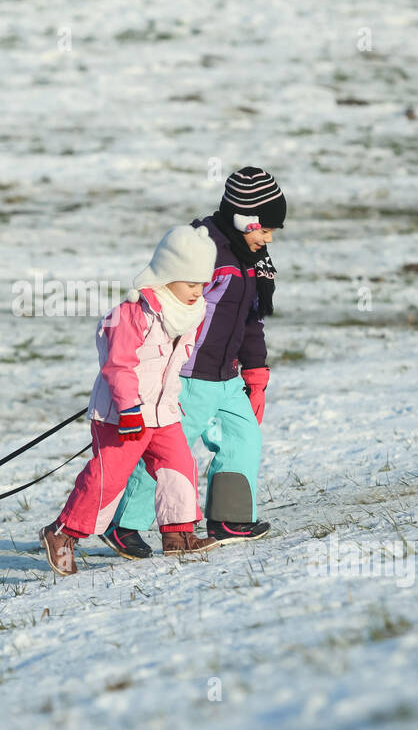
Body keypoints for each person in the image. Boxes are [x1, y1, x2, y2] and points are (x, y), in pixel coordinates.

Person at [102, 166, 285, 559]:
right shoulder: (203, 253)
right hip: (186, 375)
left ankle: (229, 516)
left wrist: (256, 371)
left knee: (244, 437)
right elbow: (163, 305)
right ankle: (125, 524)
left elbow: (251, 318)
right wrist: (151, 365)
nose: (268, 239)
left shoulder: (251, 260)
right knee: (165, 452)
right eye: (264, 229)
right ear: (243, 219)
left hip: (227, 376)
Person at [39, 225, 222, 575]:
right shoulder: (131, 313)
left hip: (163, 412)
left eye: (202, 283)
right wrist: (129, 409)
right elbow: (119, 364)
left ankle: (179, 536)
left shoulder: (191, 314)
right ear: (167, 276)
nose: (198, 291)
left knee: (180, 468)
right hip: (124, 415)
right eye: (190, 283)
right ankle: (62, 533)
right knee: (109, 477)